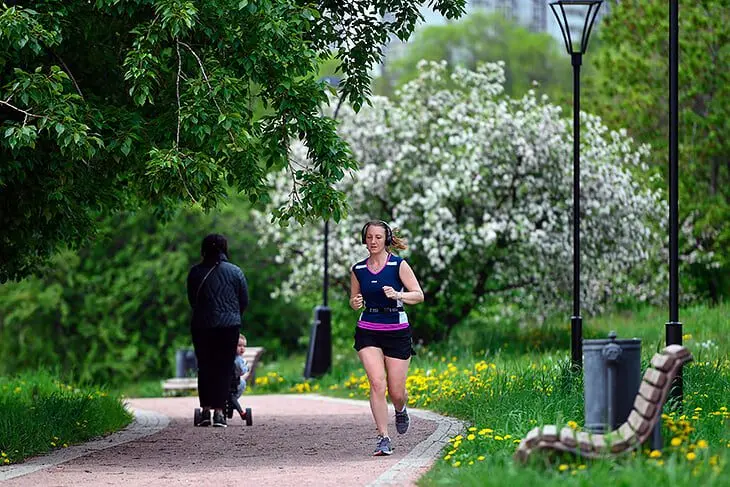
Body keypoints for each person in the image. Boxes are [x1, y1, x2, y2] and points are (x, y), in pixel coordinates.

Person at [349, 220, 424, 456]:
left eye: (378, 237)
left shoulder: (398, 265)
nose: (373, 241)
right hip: (368, 328)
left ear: (386, 240)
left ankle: (400, 409)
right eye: (369, 237)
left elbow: (419, 295)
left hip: (396, 329)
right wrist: (355, 303)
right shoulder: (358, 269)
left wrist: (398, 294)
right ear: (364, 239)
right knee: (376, 383)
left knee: (396, 391)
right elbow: (354, 299)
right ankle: (383, 437)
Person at [187, 233, 249, 428]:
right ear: (224, 248)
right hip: (229, 327)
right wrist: (232, 315)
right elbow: (244, 300)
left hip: (202, 325)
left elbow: (192, 300)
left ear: (204, 249)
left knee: (205, 367)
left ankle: (205, 411)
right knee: (223, 368)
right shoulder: (235, 272)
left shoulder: (195, 272)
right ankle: (220, 414)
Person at [234, 333, 250, 398]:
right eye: (239, 345)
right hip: (231, 382)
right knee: (242, 383)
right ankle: (233, 400)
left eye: (244, 346)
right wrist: (246, 367)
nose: (242, 348)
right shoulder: (238, 359)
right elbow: (241, 371)